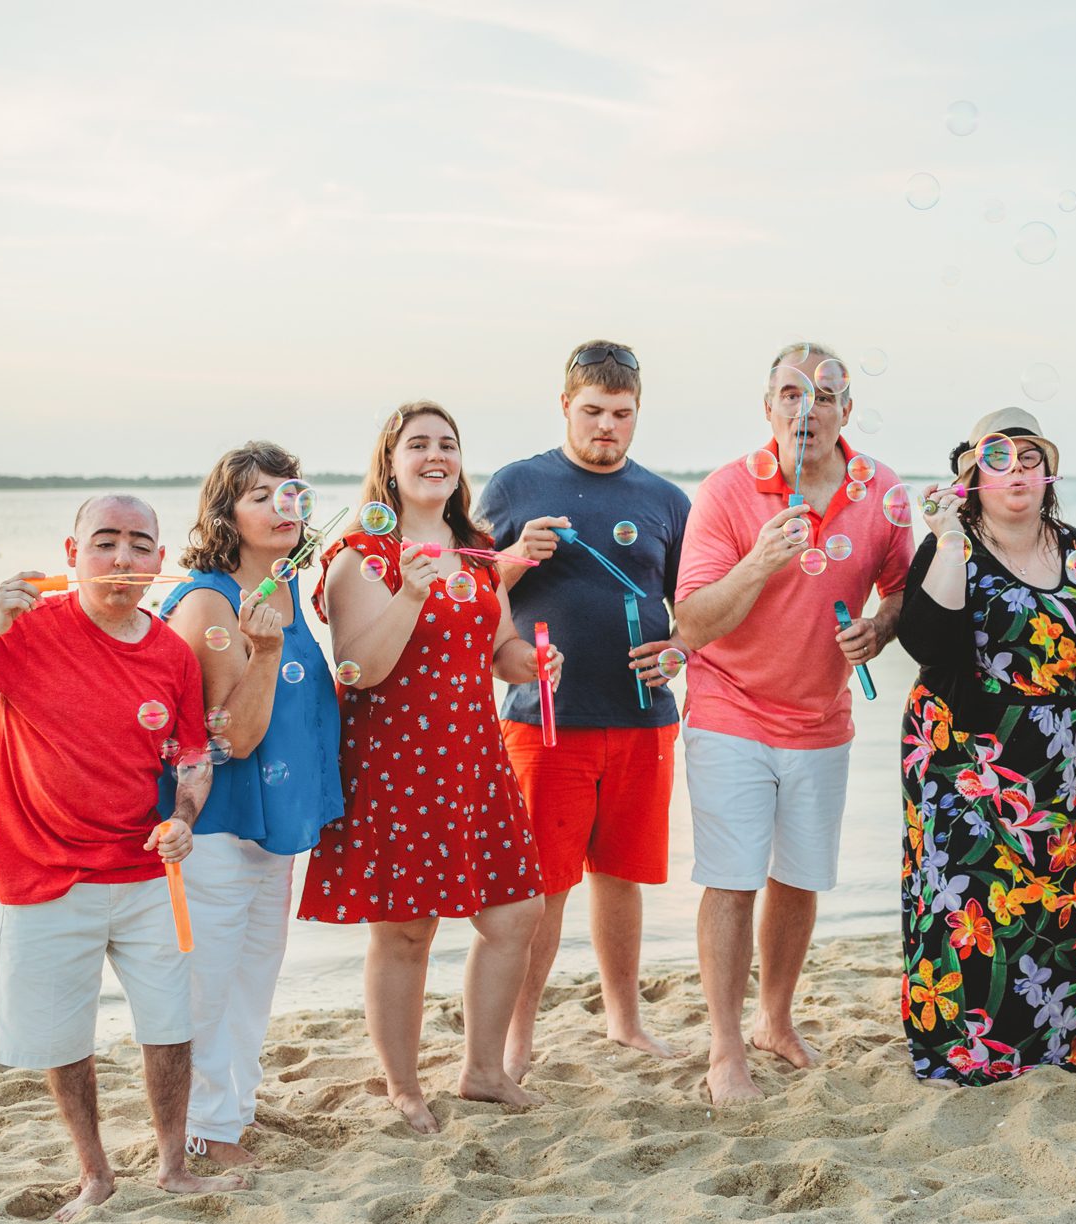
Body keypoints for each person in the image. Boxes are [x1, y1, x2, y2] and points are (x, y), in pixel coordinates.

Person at [0, 495, 246, 1220]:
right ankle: (95, 1172)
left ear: (158, 560)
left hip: (146, 870)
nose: (121, 559)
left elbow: (191, 757)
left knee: (170, 1024)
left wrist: (184, 816)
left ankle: (174, 1166)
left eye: (138, 544)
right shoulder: (24, 633)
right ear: (73, 552)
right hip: (42, 872)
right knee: (61, 1034)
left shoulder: (172, 652)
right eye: (105, 542)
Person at [298, 401, 558, 1130]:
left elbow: (499, 646)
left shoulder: (474, 543)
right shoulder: (360, 552)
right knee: (406, 930)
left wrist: (535, 664)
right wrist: (411, 590)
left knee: (517, 911)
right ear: (390, 461)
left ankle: (481, 1070)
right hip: (396, 761)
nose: (436, 454)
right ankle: (403, 1083)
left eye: (448, 443)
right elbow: (360, 667)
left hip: (475, 758)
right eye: (419, 444)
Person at [674, 341, 911, 1104]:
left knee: (800, 878)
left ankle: (776, 1019)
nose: (806, 407)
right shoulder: (726, 491)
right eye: (789, 392)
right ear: (767, 406)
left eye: (825, 395)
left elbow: (905, 590)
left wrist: (878, 630)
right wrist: (760, 564)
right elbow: (692, 624)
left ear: (847, 412)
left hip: (821, 714)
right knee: (732, 877)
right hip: (728, 704)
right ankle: (724, 1046)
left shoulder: (881, 491)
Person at [478, 340, 691, 1078]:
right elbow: (469, 591)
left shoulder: (666, 499)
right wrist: (513, 559)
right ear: (565, 405)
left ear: (637, 415)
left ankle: (624, 1020)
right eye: (593, 411)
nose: (607, 425)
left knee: (622, 875)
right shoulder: (515, 485)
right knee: (541, 885)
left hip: (644, 716)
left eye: (621, 414)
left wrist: (679, 651)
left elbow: (689, 607)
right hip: (544, 718)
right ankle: (516, 1036)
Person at [897, 410, 1076, 1085]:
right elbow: (926, 642)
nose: (1018, 470)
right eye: (1000, 458)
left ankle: (1058, 1046)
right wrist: (945, 540)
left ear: (1047, 473)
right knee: (967, 906)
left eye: (1031, 457)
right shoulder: (953, 541)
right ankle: (964, 1052)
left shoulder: (1074, 545)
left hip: (1057, 762)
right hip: (963, 760)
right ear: (973, 476)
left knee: (1063, 901)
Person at [160, 444, 344, 1166]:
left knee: (252, 977)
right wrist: (263, 654)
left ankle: (229, 1114)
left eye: (290, 492)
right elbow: (233, 736)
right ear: (226, 515)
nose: (281, 506)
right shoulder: (209, 599)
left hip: (271, 826)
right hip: (215, 826)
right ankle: (199, 1132)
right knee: (206, 985)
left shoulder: (284, 589)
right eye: (260, 495)